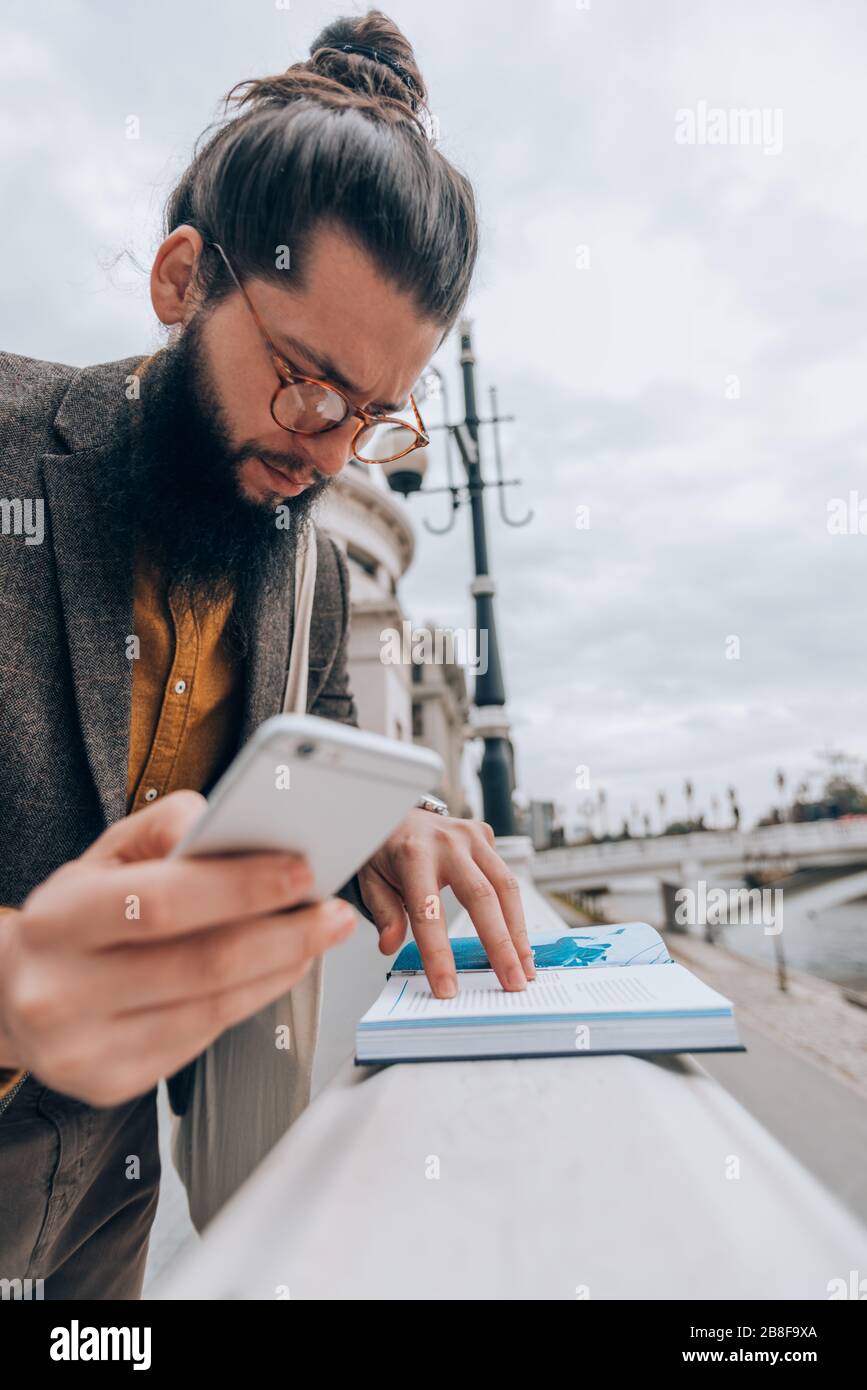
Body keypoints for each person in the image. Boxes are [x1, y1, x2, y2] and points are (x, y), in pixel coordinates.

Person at [0, 9, 534, 1299]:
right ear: (182, 277)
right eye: (304, 379)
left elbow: (320, 766)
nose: (326, 452)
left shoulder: (311, 565)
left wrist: (390, 829)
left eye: (372, 417)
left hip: (107, 1216)